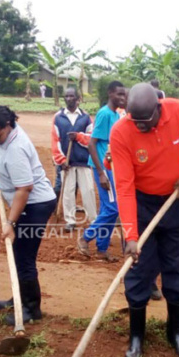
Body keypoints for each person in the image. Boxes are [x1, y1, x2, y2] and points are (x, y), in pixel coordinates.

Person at [111, 83, 179, 357]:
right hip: (141, 204)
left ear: (159, 106)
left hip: (174, 201)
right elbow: (123, 185)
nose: (141, 128)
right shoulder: (121, 131)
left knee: (176, 265)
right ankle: (136, 336)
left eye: (147, 122)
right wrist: (131, 235)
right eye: (137, 122)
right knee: (137, 268)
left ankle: (175, 332)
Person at [0, 104, 57, 325]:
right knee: (17, 253)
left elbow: (24, 189)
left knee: (24, 258)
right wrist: (0, 180)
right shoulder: (5, 133)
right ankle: (19, 296)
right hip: (25, 201)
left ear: (7, 125)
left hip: (35, 205)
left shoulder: (16, 147)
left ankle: (31, 309)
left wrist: (11, 223)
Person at [79, 80, 126, 260]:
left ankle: (102, 249)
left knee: (109, 208)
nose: (122, 97)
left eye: (124, 94)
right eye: (119, 94)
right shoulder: (105, 114)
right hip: (103, 168)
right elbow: (92, 143)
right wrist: (100, 173)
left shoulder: (115, 115)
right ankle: (85, 238)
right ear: (110, 94)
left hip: (111, 166)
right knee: (113, 209)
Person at [52, 87, 96, 231]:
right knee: (68, 192)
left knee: (88, 191)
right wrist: (61, 160)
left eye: (72, 96)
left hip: (84, 161)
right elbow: (55, 140)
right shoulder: (58, 117)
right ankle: (70, 221)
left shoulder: (85, 117)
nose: (69, 99)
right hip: (67, 163)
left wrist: (78, 137)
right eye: (67, 96)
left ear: (78, 99)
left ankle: (93, 220)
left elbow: (91, 139)